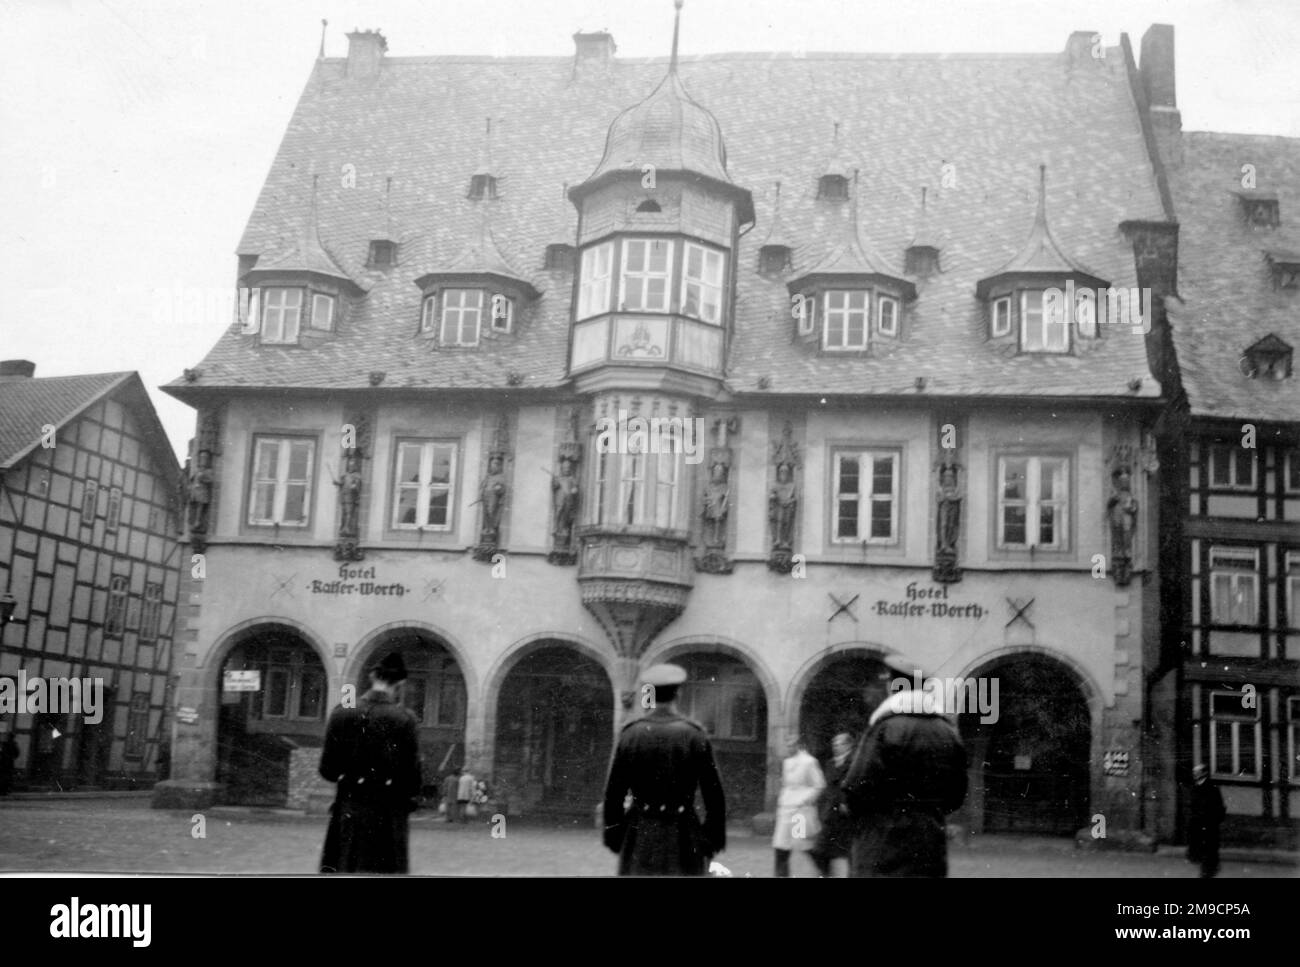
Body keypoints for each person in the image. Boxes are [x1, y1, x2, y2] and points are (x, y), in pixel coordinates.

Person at [602, 664, 727, 876]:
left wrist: (614, 834)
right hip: (683, 833)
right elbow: (713, 794)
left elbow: (614, 793)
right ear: (678, 693)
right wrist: (712, 838)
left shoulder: (631, 734)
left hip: (640, 832)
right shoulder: (694, 735)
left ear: (650, 692)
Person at [842, 689, 967, 877]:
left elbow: (856, 786)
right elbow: (956, 795)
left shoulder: (884, 727)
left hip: (882, 841)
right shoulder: (948, 732)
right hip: (929, 841)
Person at [318, 653, 422, 874]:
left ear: (372, 676)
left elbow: (326, 770)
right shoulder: (405, 719)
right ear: (400, 683)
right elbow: (412, 778)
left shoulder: (341, 712)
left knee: (345, 866)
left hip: (349, 809)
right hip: (389, 815)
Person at [772, 735, 825, 877]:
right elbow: (786, 785)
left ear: (799, 745)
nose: (789, 748)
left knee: (801, 844)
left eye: (792, 745)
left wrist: (806, 800)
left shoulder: (809, 762)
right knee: (780, 845)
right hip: (785, 808)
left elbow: (819, 785)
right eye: (787, 745)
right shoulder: (787, 762)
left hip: (800, 811)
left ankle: (824, 870)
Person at [810, 732, 855, 876]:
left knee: (848, 851)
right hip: (829, 812)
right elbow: (827, 787)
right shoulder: (830, 763)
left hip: (846, 813)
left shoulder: (855, 762)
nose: (836, 747)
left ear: (849, 745)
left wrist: (845, 801)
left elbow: (855, 785)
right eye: (834, 744)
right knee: (819, 849)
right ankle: (826, 873)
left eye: (840, 744)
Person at [1187, 764, 1225, 878]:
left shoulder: (1212, 788)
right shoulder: (1195, 787)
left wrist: (1213, 821)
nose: (1194, 774)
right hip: (1197, 823)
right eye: (1194, 772)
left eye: (1197, 772)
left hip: (1209, 824)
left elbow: (1219, 807)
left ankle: (1208, 871)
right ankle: (1207, 869)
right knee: (1201, 848)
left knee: (1210, 849)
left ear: (1204, 773)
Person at [0, 732, 18, 796]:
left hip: (3, 762)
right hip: (9, 762)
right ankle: (6, 790)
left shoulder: (5, 744)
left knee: (3, 776)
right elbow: (16, 753)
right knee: (8, 777)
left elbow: (2, 753)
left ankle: (3, 790)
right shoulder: (14, 744)